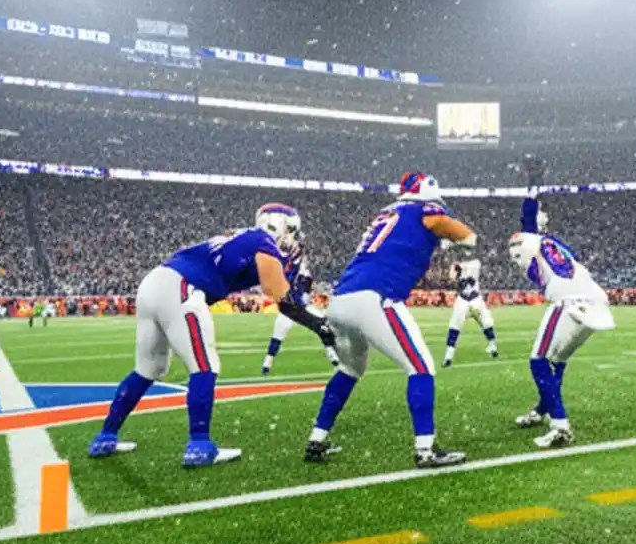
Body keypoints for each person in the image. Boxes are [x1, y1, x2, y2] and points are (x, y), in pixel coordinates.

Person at [88, 204, 333, 468]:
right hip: (182, 285)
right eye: (292, 230)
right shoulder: (262, 241)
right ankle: (199, 445)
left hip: (155, 283)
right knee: (205, 366)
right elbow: (278, 293)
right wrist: (318, 322)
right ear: (280, 226)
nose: (293, 236)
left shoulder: (241, 236)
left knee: (149, 368)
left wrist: (310, 314)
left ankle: (106, 437)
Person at [304, 172, 475, 468]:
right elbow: (438, 222)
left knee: (350, 369)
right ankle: (425, 449)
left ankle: (317, 439)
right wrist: (467, 238)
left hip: (341, 299)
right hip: (376, 296)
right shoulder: (423, 208)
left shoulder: (389, 213)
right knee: (421, 368)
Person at [510, 193, 614, 448]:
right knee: (557, 361)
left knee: (539, 361)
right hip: (596, 302)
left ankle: (560, 425)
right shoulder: (555, 244)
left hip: (568, 302)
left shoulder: (530, 241)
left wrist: (530, 197)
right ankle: (543, 408)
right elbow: (570, 255)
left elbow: (528, 223)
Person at [261, 241, 339, 374]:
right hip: (293, 308)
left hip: (297, 307)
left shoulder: (301, 274)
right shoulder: (291, 270)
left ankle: (333, 355)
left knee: (321, 325)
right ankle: (267, 362)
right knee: (280, 333)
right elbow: (294, 266)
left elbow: (306, 286)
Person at [442, 257, 499, 367]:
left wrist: (454, 266)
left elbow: (451, 277)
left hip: (463, 301)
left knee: (454, 328)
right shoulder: (476, 263)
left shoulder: (462, 264)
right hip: (476, 300)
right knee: (486, 323)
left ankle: (448, 356)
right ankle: (493, 347)